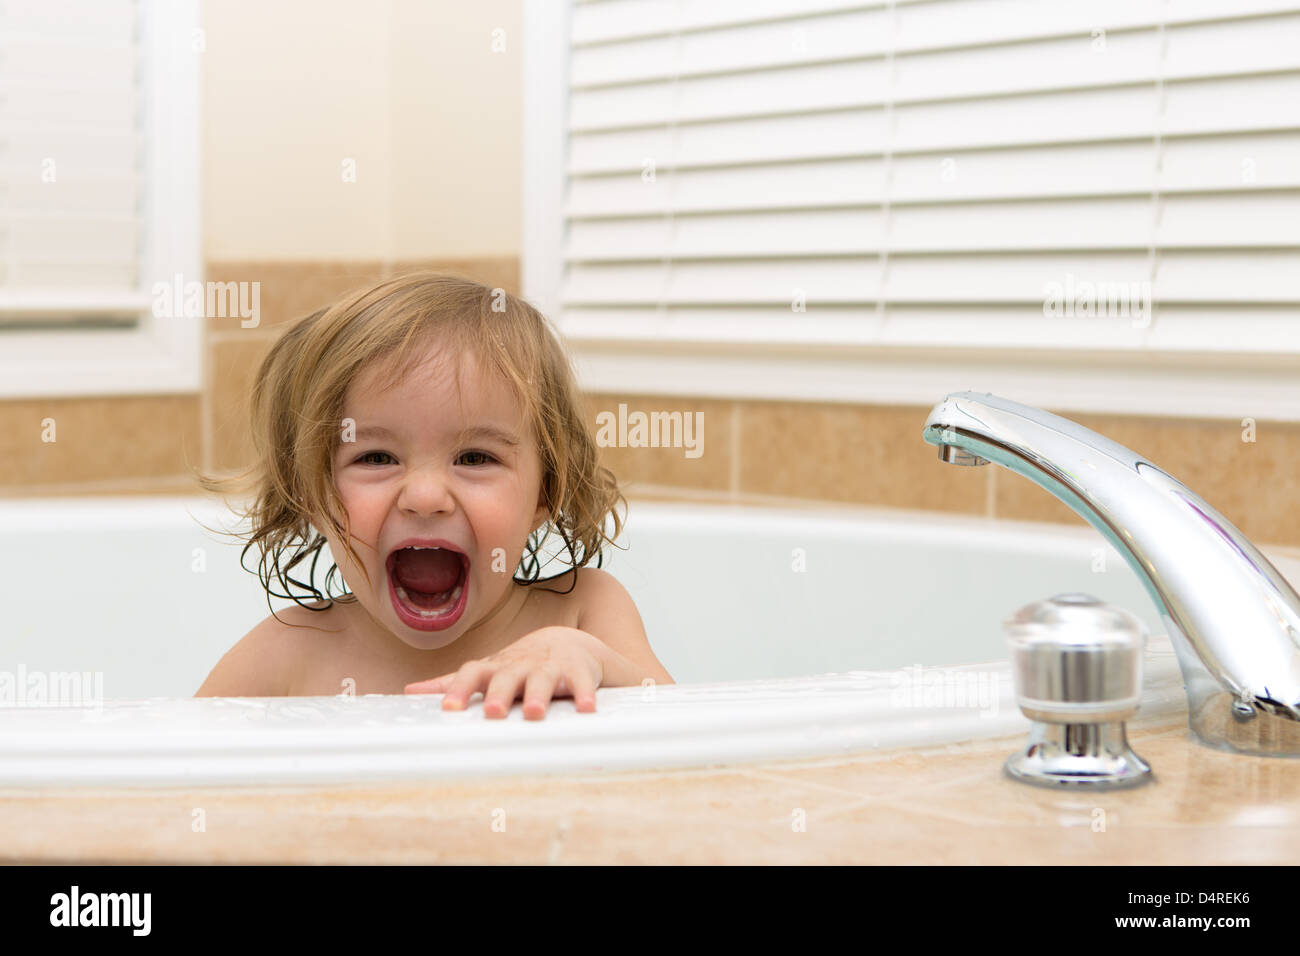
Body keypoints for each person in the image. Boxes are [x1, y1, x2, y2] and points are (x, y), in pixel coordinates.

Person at [195, 271, 672, 717]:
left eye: (475, 458)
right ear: (311, 496)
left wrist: (592, 660)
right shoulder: (286, 651)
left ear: (546, 490)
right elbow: (175, 769)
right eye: (376, 458)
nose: (425, 497)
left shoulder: (582, 613)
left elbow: (679, 731)